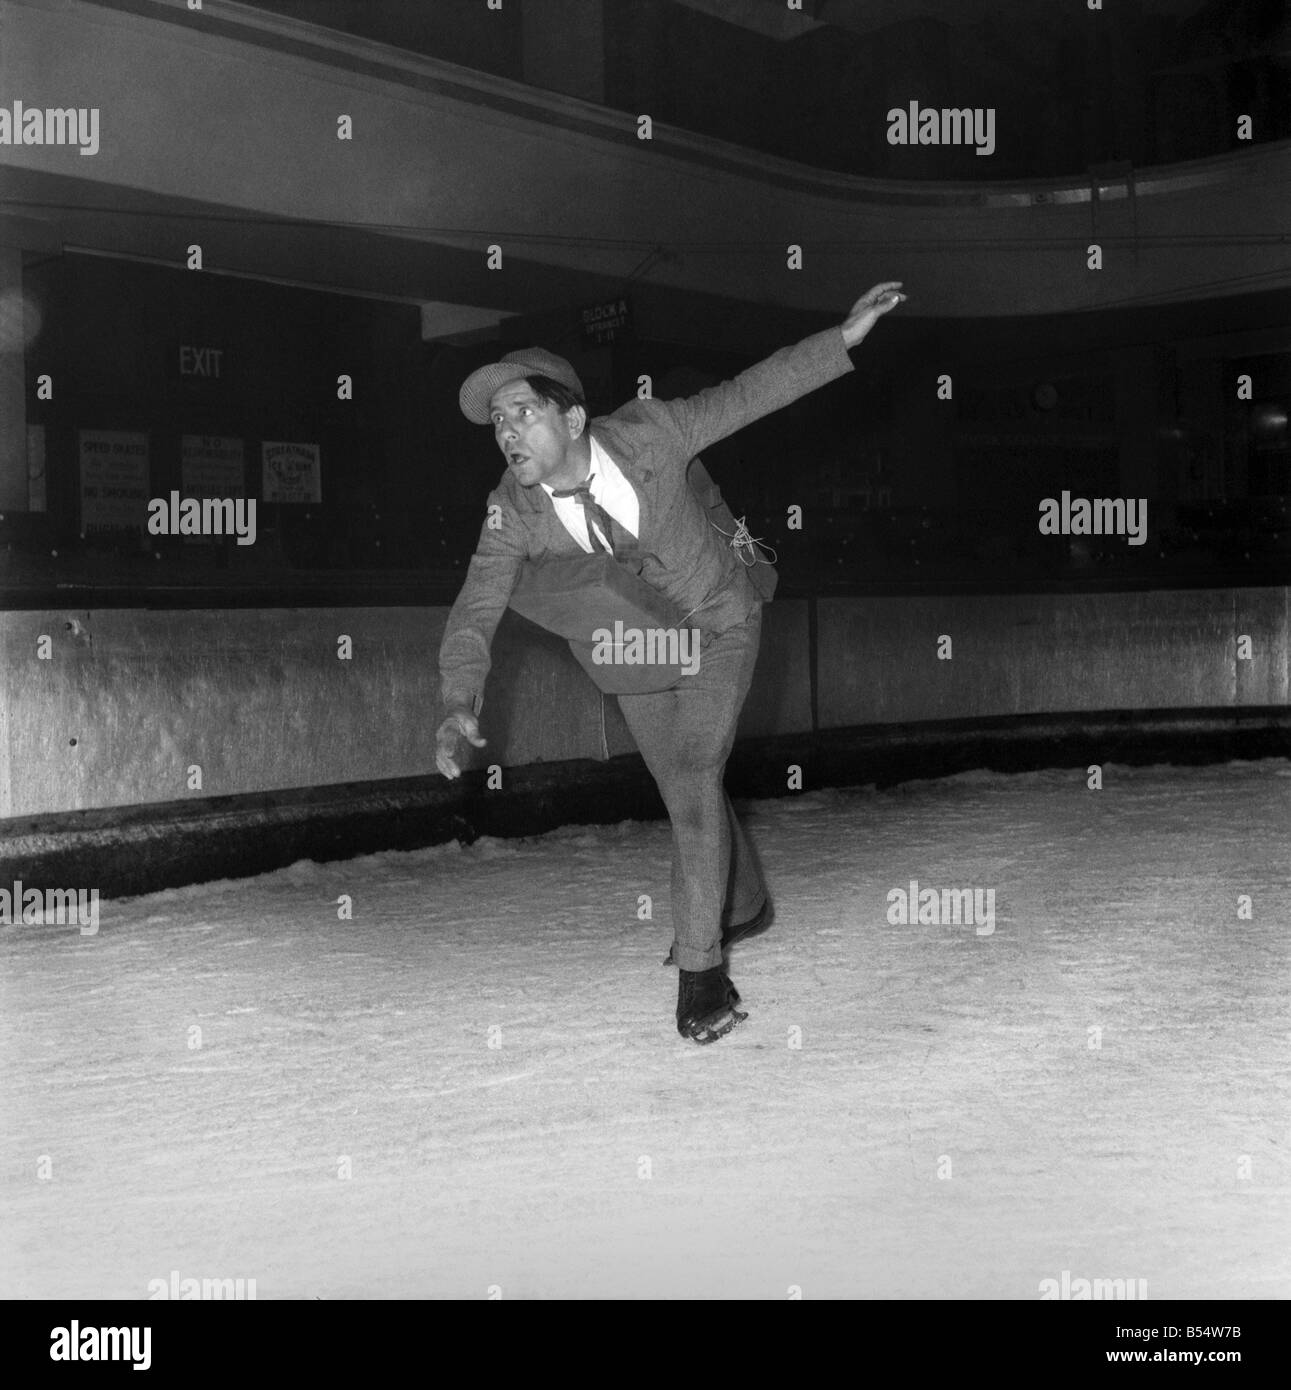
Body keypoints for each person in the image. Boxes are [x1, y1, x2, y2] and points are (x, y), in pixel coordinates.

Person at [436, 282, 907, 1043]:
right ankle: (743, 904)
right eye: (497, 422)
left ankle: (702, 972)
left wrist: (844, 337)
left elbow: (751, 391)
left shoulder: (653, 433)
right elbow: (475, 604)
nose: (507, 433)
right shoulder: (510, 512)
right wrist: (459, 696)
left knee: (692, 777)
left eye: (523, 412)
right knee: (688, 794)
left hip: (719, 625)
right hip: (640, 650)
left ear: (573, 417)